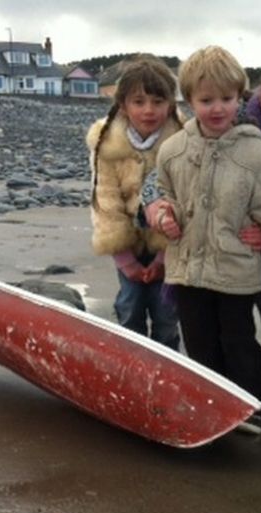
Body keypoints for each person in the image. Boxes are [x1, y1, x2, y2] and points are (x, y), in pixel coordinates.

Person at [147, 46, 261, 433]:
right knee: (200, 343)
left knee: (239, 341)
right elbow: (163, 192)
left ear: (240, 97)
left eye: (226, 98)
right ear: (189, 99)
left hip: (237, 270)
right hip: (188, 270)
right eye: (206, 100)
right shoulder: (173, 149)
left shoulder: (255, 151)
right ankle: (213, 404)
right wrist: (162, 213)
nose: (217, 108)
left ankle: (256, 404)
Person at [86, 56, 183, 349]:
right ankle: (132, 363)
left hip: (170, 246)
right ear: (124, 104)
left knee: (167, 312)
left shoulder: (182, 141)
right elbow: (105, 202)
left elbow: (185, 200)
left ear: (171, 103)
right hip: (126, 246)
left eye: (157, 100)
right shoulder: (106, 142)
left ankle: (168, 367)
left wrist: (164, 258)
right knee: (129, 307)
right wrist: (124, 259)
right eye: (139, 101)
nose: (149, 110)